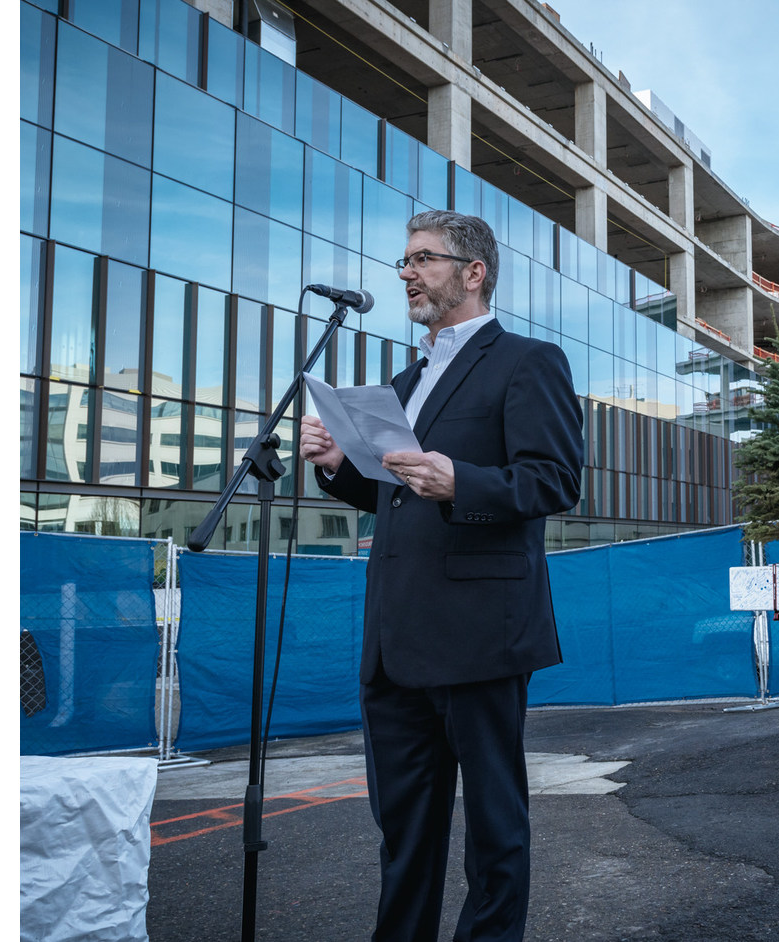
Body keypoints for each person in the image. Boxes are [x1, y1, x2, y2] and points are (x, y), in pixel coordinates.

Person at [298, 210, 583, 942]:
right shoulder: (405, 380)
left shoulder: (528, 361)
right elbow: (396, 494)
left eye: (422, 259)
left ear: (473, 271)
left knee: (493, 830)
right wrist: (339, 468)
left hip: (481, 634)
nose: (406, 273)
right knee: (404, 830)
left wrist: (463, 483)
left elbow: (552, 482)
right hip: (395, 636)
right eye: (404, 261)